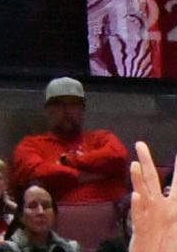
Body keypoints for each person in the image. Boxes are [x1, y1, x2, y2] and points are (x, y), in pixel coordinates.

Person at [10, 77, 129, 207]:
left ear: (82, 109)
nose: (66, 110)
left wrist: (70, 161)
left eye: (73, 104)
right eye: (58, 104)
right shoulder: (31, 144)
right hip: (55, 215)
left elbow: (117, 156)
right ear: (47, 110)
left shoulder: (100, 137)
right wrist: (82, 175)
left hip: (114, 211)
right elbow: (34, 171)